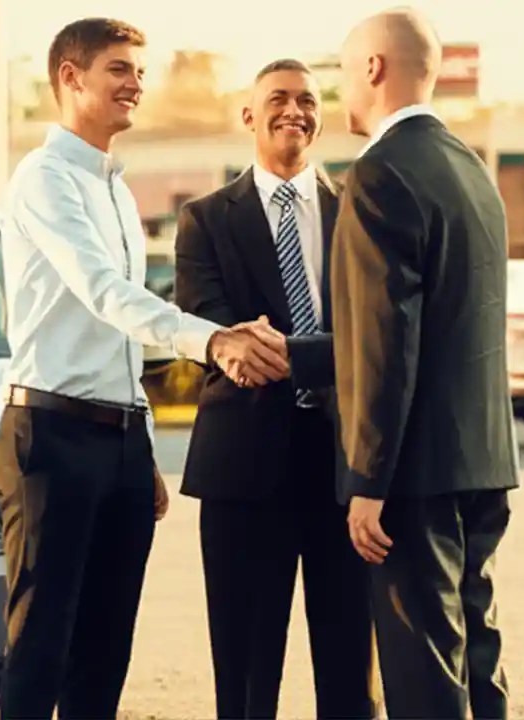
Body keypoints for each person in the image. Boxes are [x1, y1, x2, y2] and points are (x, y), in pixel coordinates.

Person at [0, 17, 289, 720]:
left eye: (139, 72)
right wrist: (217, 341)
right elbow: (105, 294)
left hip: (118, 440)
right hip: (51, 436)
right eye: (119, 70)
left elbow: (120, 333)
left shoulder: (117, 189)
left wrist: (140, 441)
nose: (136, 85)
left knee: (107, 648)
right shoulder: (43, 179)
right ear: (71, 77)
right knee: (42, 645)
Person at [173, 59, 379, 720]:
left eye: (308, 100)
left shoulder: (358, 213)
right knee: (244, 677)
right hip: (243, 476)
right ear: (248, 116)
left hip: (345, 470)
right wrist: (316, 355)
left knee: (351, 674)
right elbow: (215, 334)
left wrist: (290, 353)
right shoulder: (204, 220)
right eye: (278, 99)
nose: (295, 111)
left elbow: (376, 341)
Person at [332, 7, 519, 719]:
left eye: (344, 72)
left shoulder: (380, 173)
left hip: (412, 474)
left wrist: (368, 480)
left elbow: (390, 339)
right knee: (477, 651)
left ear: (374, 68)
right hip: (481, 460)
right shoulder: (471, 170)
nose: (341, 90)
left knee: (424, 672)